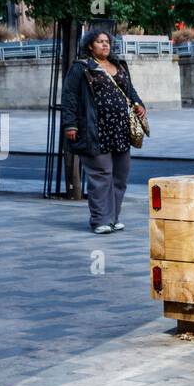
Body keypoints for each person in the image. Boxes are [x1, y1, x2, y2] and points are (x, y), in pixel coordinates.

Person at [61, 27, 147, 233]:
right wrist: (70, 124)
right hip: (95, 130)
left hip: (120, 130)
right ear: (90, 45)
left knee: (120, 176)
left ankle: (113, 218)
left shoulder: (119, 65)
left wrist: (138, 103)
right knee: (101, 175)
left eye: (107, 41)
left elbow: (130, 90)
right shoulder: (81, 68)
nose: (105, 44)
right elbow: (69, 96)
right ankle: (100, 220)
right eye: (100, 41)